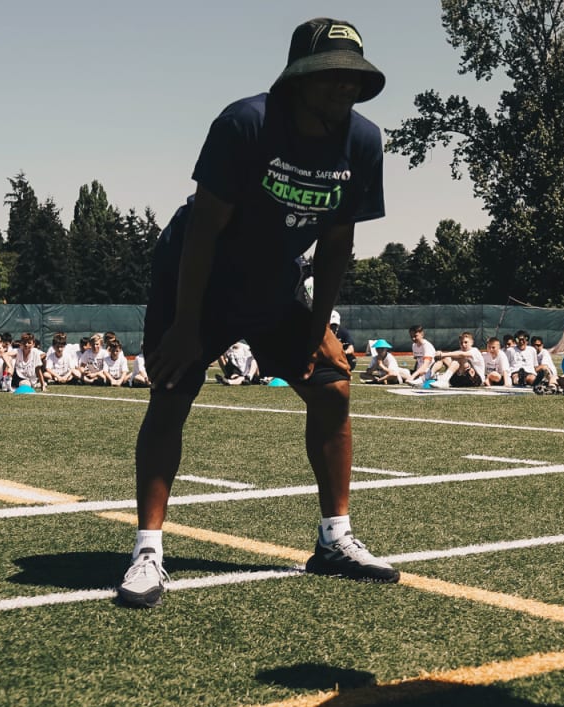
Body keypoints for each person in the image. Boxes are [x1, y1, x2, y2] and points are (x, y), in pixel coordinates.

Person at [117, 17, 398, 609]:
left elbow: (338, 243)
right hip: (197, 275)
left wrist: (320, 325)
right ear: (297, 80)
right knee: (171, 394)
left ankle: (334, 541)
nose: (343, 90)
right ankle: (147, 551)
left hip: (275, 281)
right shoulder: (245, 123)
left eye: (353, 80)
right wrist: (188, 326)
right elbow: (203, 232)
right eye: (330, 79)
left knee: (333, 388)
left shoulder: (364, 141)